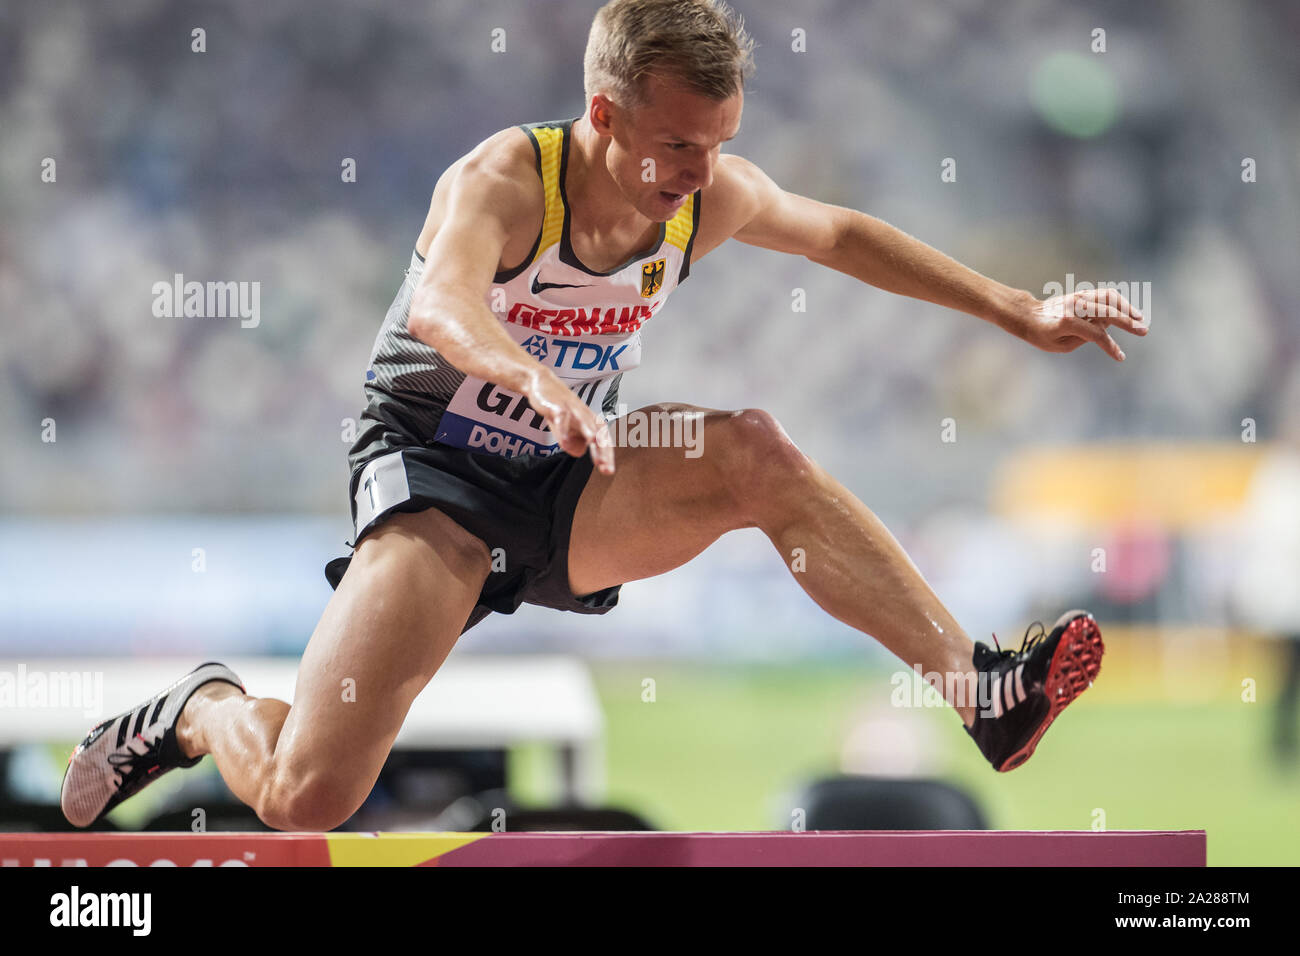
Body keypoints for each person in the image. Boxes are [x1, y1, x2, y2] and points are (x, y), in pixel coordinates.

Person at [62, 0, 1144, 831]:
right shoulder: (505, 179)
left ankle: (980, 686)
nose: (700, 174)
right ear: (605, 113)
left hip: (577, 473)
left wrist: (1013, 305)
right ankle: (201, 704)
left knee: (757, 453)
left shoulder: (707, 193)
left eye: (718, 143)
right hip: (439, 472)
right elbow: (441, 303)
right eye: (678, 146)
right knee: (307, 795)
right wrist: (528, 376)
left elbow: (841, 234)